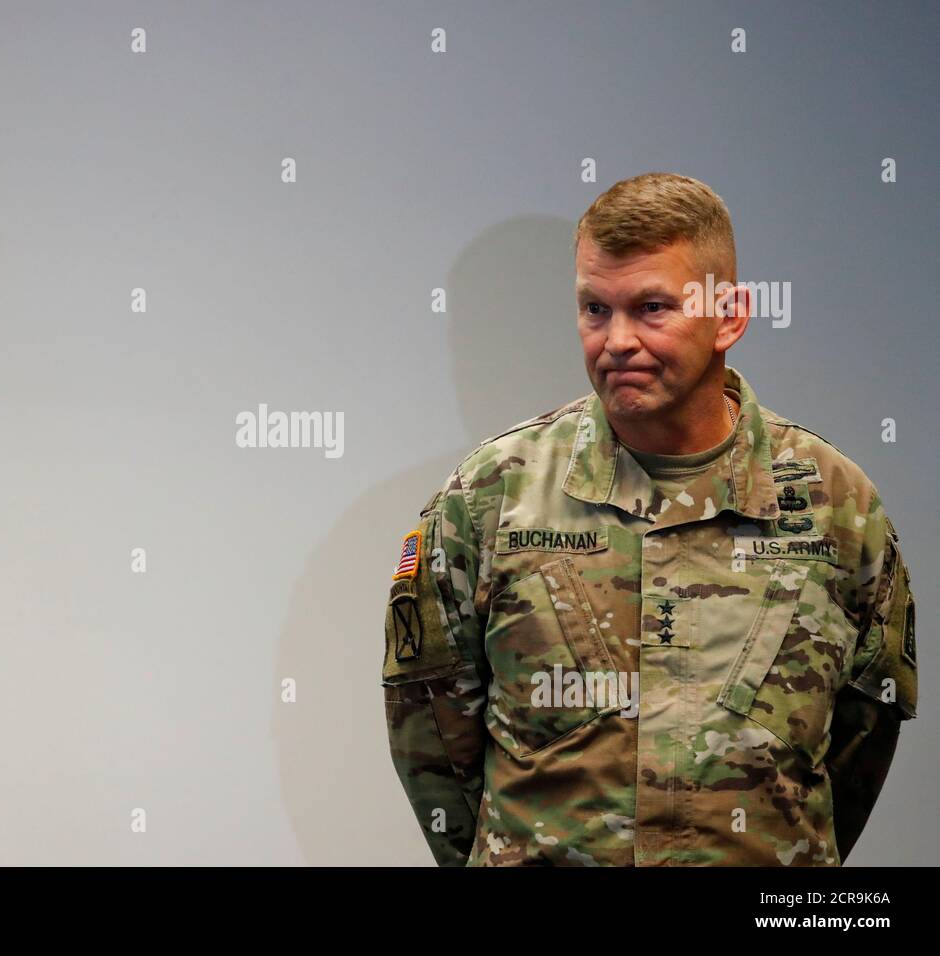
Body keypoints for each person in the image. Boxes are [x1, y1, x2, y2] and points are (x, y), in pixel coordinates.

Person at [382, 172, 918, 866]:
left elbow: (860, 742)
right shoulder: (490, 495)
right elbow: (430, 735)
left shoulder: (835, 507)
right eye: (595, 309)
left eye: (652, 308)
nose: (618, 340)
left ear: (729, 315)